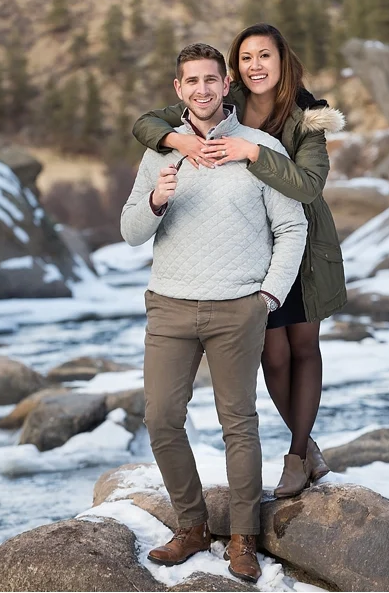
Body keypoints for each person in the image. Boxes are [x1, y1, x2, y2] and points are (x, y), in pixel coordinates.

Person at [131, 23, 347, 500]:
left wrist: (252, 152)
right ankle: (308, 447)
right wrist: (179, 142)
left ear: (282, 61)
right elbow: (147, 123)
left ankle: (296, 453)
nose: (255, 66)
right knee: (273, 354)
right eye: (245, 58)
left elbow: (308, 186)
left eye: (264, 56)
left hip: (302, 245)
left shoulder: (308, 116)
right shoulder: (225, 102)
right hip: (252, 252)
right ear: (233, 70)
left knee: (304, 347)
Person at [121, 42, 307, 583]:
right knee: (160, 419)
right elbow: (130, 232)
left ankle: (244, 539)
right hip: (170, 304)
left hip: (238, 307)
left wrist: (268, 297)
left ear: (226, 85)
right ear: (178, 90)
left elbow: (291, 227)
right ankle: (193, 527)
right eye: (191, 82)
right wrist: (157, 199)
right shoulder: (160, 151)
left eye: (211, 80)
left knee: (238, 424)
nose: (202, 89)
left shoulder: (258, 146)